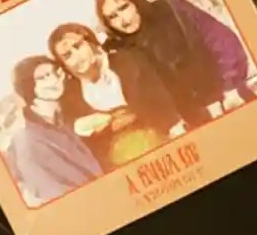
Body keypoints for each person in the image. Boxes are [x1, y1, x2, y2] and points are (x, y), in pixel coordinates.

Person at [94, 0, 255, 128]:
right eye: (113, 17)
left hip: (230, 100)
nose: (123, 20)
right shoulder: (117, 51)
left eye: (124, 7)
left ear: (135, 3)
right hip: (193, 125)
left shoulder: (172, 9)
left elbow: (220, 40)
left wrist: (231, 88)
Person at [46, 22, 184, 169]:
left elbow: (162, 100)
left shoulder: (129, 60)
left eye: (78, 46)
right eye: (67, 56)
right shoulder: (70, 99)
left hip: (165, 141)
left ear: (90, 42)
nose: (77, 57)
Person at [5, 55, 103, 206]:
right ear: (28, 86)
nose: (54, 80)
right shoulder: (29, 142)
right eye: (43, 77)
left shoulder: (60, 121)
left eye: (55, 73)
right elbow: (56, 197)